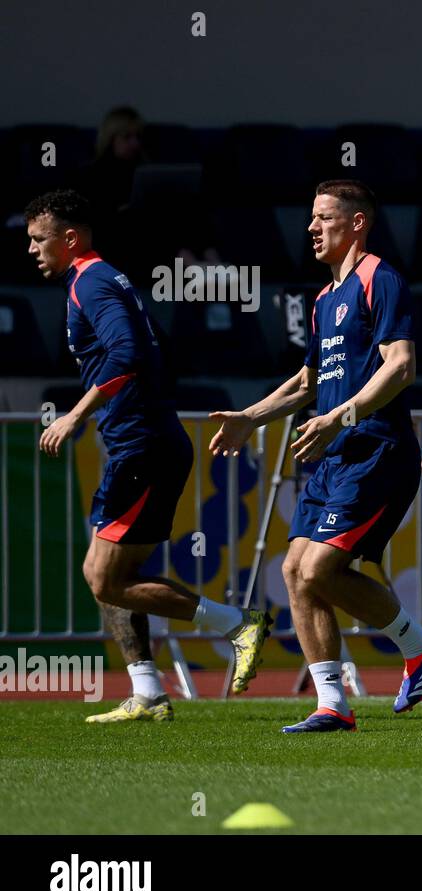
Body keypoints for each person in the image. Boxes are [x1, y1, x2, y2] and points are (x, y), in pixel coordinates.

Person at [209, 180, 422, 732]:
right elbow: (307, 383)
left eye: (324, 217)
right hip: (333, 456)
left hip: (376, 451)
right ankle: (331, 705)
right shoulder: (324, 298)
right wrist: (250, 417)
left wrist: (341, 416)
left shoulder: (379, 279)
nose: (312, 228)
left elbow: (402, 365)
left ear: (357, 222)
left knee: (319, 567)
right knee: (295, 571)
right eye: (310, 219)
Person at [28, 189, 269, 722]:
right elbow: (156, 344)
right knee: (108, 572)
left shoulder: (91, 282)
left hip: (143, 448)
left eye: (38, 239)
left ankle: (235, 623)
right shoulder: (104, 280)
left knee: (104, 578)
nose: (30, 249)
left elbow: (130, 353)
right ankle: (147, 690)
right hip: (140, 442)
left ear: (70, 239)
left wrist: (77, 413)